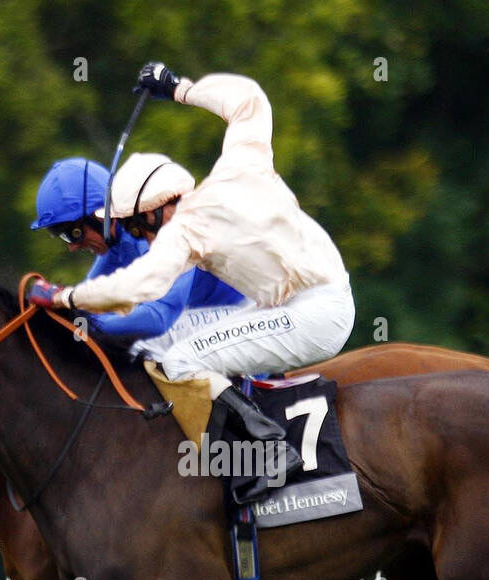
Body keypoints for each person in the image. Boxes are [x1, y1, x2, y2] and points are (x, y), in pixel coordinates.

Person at [30, 63, 357, 498]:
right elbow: (249, 102)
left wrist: (68, 298)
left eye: (134, 227)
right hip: (307, 299)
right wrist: (178, 88)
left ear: (152, 210)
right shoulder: (237, 165)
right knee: (167, 351)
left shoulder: (183, 233)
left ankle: (266, 455)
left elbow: (140, 296)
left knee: (179, 359)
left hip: (314, 314)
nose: (138, 237)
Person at [30, 156, 250, 364]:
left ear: (101, 215)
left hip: (247, 313)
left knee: (145, 341)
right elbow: (89, 303)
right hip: (208, 318)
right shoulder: (118, 242)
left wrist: (85, 327)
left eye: (74, 233)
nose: (72, 246)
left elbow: (158, 317)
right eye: (63, 236)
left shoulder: (153, 234)